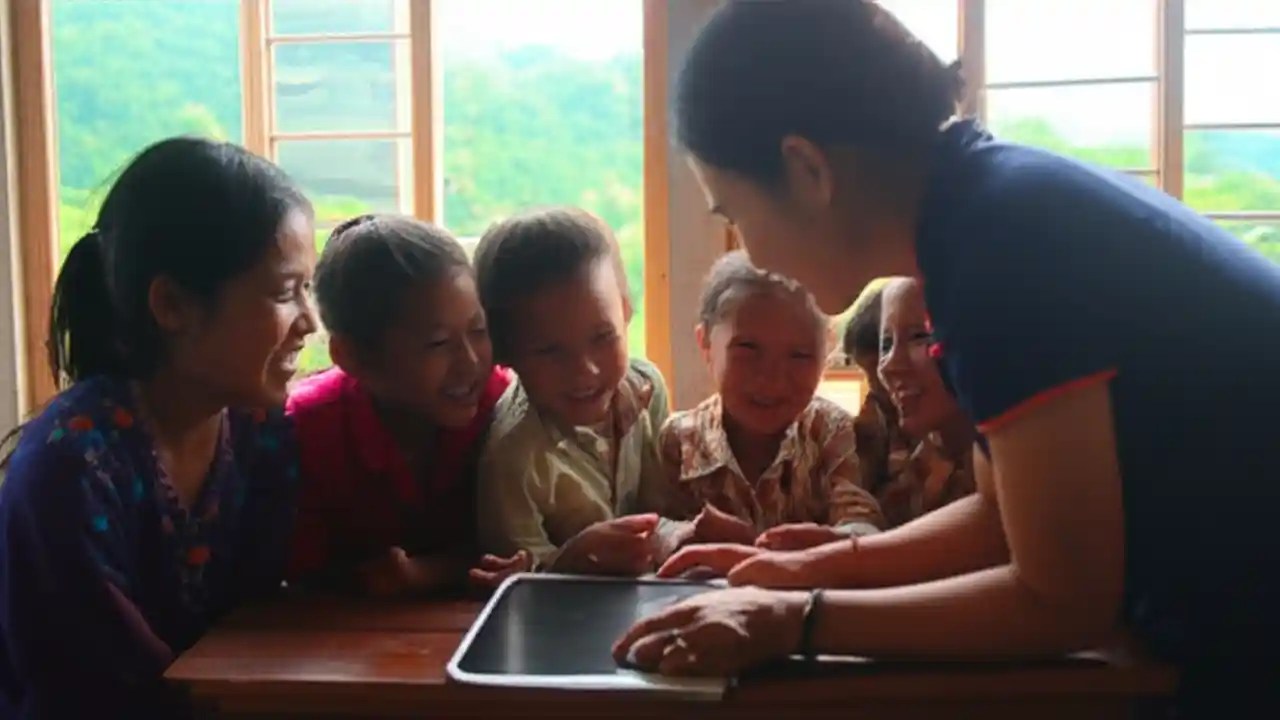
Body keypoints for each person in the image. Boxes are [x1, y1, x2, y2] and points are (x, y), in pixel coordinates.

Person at [613, 1, 1280, 711]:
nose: (750, 249)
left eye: (735, 215)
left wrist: (793, 619)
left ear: (807, 170)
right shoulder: (981, 214)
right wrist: (807, 569)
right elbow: (1002, 519)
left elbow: (1061, 600)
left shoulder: (1002, 253)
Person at [0, 137, 315, 717]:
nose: (309, 321)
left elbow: (259, 623)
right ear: (172, 305)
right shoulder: (70, 468)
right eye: (283, 292)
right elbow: (100, 689)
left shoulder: (259, 433)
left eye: (309, 289)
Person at [286, 214, 516, 597]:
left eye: (479, 331)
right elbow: (299, 582)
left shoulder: (502, 404)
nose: (471, 361)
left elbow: (519, 547)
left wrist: (427, 573)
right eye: (438, 343)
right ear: (352, 356)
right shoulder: (307, 431)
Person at [473, 207, 670, 578]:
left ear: (625, 313)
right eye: (550, 351)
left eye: (603, 337)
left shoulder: (647, 389)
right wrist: (572, 559)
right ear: (504, 351)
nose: (586, 370)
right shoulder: (512, 457)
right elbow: (514, 578)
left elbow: (665, 507)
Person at [654, 250, 882, 560]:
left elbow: (863, 525)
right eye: (748, 349)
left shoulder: (830, 431)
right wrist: (679, 533)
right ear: (705, 344)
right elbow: (649, 527)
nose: (772, 380)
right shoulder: (678, 441)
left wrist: (830, 543)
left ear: (827, 351)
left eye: (799, 355)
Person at [869, 277, 974, 528]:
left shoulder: (1018, 467)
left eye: (919, 336)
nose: (890, 366)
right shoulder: (923, 463)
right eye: (886, 344)